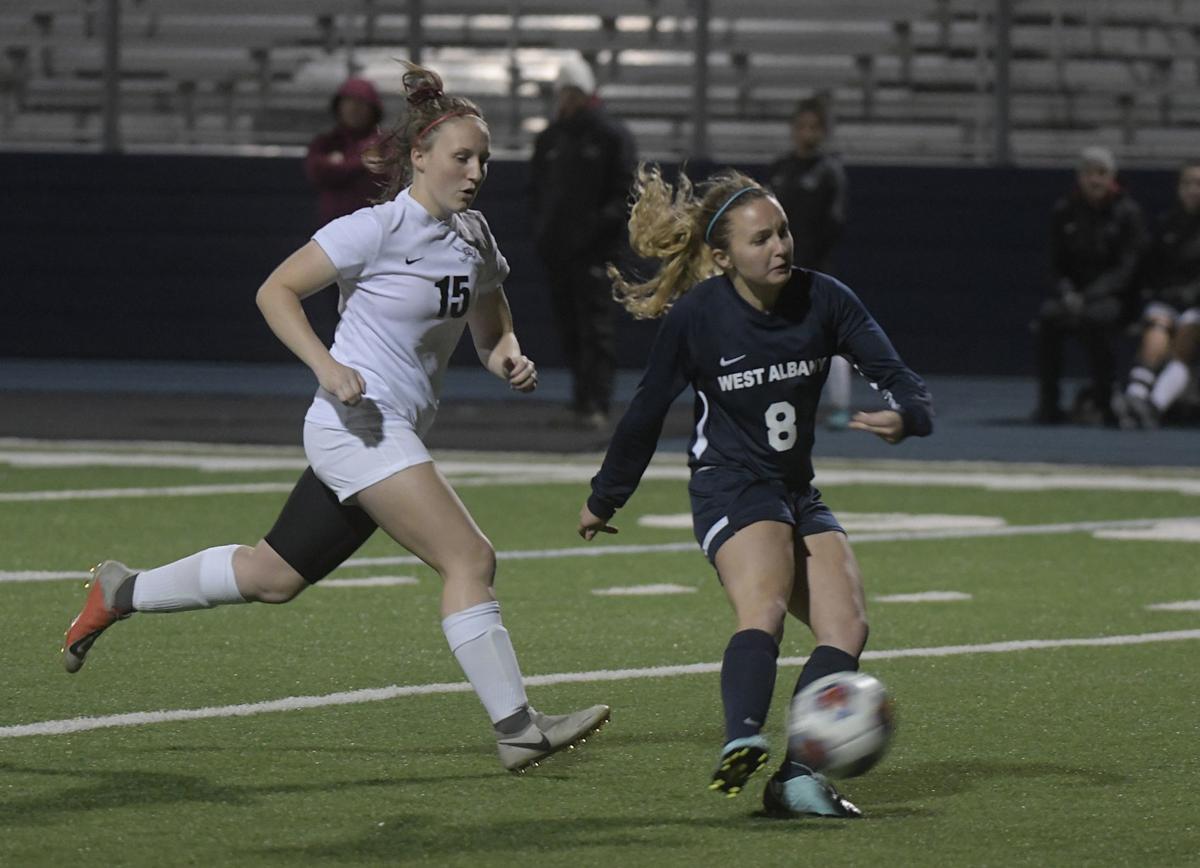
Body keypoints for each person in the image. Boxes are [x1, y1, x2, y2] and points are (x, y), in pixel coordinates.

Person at [62, 62, 609, 774]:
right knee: (469, 559)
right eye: (460, 157)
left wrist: (507, 355)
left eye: (483, 159)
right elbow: (275, 291)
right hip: (358, 427)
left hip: (386, 432)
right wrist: (326, 366)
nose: (475, 172)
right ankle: (517, 728)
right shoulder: (373, 229)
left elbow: (490, 321)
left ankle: (120, 591)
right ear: (419, 157)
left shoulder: (474, 238)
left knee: (272, 577)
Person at [575, 165, 933, 817]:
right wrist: (606, 496)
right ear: (722, 257)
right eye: (761, 238)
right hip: (730, 485)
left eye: (784, 232)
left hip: (797, 488)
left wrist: (907, 417)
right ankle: (741, 736)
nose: (780, 248)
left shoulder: (825, 299)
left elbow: (901, 379)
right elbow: (647, 411)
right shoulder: (698, 317)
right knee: (763, 607)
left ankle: (795, 777)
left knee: (847, 625)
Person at [530, 54, 637, 429]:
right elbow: (538, 192)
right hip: (560, 253)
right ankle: (580, 400)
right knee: (569, 328)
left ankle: (599, 402)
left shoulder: (611, 137)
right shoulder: (551, 139)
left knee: (596, 329)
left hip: (597, 252)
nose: (566, 100)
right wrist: (545, 235)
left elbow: (624, 194)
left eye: (573, 92)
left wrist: (594, 232)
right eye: (564, 92)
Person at [1032, 146, 1147, 425]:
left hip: (1115, 299)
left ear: (1112, 177)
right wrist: (1067, 292)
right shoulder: (1065, 211)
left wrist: (1091, 295)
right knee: (1047, 321)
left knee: (1094, 321)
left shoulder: (1128, 212)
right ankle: (1049, 403)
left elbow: (1126, 269)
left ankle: (1106, 399)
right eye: (1088, 173)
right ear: (1079, 177)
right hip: (1074, 296)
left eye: (1101, 173)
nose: (1095, 180)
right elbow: (1054, 263)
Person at [767, 96, 852, 431]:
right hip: (778, 270)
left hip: (816, 268)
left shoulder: (829, 172)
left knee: (828, 340)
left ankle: (840, 406)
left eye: (814, 128)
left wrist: (811, 262)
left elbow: (835, 223)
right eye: (801, 127)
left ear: (823, 132)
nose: (806, 134)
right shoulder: (780, 169)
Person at [1112, 160, 1200, 429]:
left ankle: (1154, 406)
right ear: (1178, 188)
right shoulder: (1166, 223)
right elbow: (1152, 269)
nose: (1193, 190)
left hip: (1196, 308)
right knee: (1157, 329)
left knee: (1188, 328)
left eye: (1199, 184)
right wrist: (1163, 294)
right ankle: (1136, 397)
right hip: (1170, 303)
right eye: (1188, 183)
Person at [304, 77, 386, 226]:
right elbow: (316, 172)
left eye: (361, 103)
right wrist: (360, 163)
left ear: (373, 109)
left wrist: (341, 165)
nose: (353, 109)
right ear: (338, 106)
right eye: (348, 102)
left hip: (375, 230)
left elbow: (382, 177)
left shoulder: (385, 143)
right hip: (332, 231)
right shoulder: (325, 142)